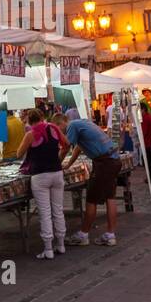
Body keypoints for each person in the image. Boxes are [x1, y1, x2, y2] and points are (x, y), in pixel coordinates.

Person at [54, 113, 122, 246]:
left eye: (58, 128)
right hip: (113, 159)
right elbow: (78, 148)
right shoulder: (82, 123)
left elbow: (66, 147)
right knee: (110, 197)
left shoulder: (72, 126)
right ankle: (110, 235)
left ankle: (83, 235)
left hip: (104, 163)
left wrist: (54, 165)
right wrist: (68, 164)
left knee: (91, 199)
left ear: (62, 123)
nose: (59, 131)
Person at [18, 109, 67, 259]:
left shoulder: (30, 134)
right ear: (42, 117)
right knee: (58, 210)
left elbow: (19, 153)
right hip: (57, 173)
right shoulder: (53, 128)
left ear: (29, 121)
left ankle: (48, 249)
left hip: (40, 176)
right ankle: (61, 245)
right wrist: (58, 159)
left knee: (45, 213)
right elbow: (66, 144)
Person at [139, 103, 151, 184]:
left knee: (148, 162)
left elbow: (144, 132)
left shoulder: (145, 118)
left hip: (148, 142)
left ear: (143, 109)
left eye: (139, 110)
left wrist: (140, 141)